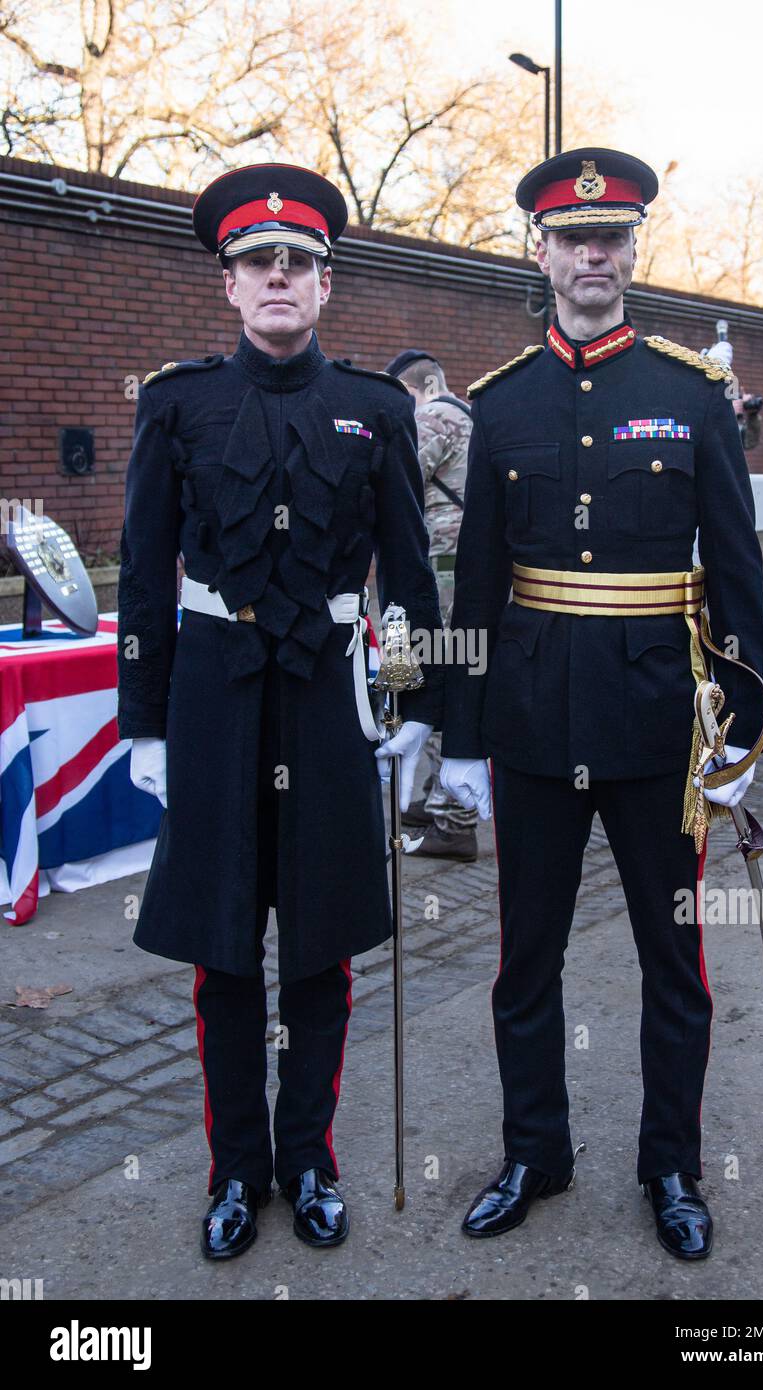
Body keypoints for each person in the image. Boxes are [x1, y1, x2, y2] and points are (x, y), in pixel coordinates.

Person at [439, 148, 763, 1259]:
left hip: (655, 724)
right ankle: (535, 1151)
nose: (592, 252)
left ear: (630, 249)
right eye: (571, 237)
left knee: (671, 959)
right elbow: (475, 578)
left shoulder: (686, 395)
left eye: (610, 235)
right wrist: (454, 732)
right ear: (538, 252)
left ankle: (669, 1166)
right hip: (532, 720)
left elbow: (732, 568)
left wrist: (744, 729)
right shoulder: (500, 403)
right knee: (523, 957)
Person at [118, 164, 440, 1260]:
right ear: (228, 284)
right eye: (258, 262)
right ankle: (233, 1171)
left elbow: (411, 571)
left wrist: (419, 706)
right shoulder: (175, 403)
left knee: (319, 947)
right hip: (212, 702)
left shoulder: (377, 408)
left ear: (324, 284)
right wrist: (144, 721)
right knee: (224, 953)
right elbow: (141, 569)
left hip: (327, 702)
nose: (278, 278)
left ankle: (308, 1161)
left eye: (297, 263)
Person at [383, 348, 477, 861]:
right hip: (458, 571)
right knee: (453, 673)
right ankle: (439, 797)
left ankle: (454, 821)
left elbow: (396, 481)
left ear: (418, 389)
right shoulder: (469, 416)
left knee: (441, 677)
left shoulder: (434, 415)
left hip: (442, 571)